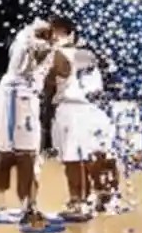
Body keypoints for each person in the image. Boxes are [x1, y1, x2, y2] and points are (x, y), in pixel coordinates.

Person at [0, 18, 58, 225]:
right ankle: (5, 204)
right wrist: (52, 43)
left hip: (30, 97)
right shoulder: (25, 40)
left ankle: (30, 204)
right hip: (15, 96)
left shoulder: (44, 46)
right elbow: (36, 45)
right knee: (13, 153)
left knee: (31, 153)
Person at [48, 18, 115, 221]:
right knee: (94, 156)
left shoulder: (59, 54)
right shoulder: (87, 54)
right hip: (92, 109)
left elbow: (50, 80)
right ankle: (103, 194)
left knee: (73, 160)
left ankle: (79, 203)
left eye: (54, 33)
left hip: (73, 108)